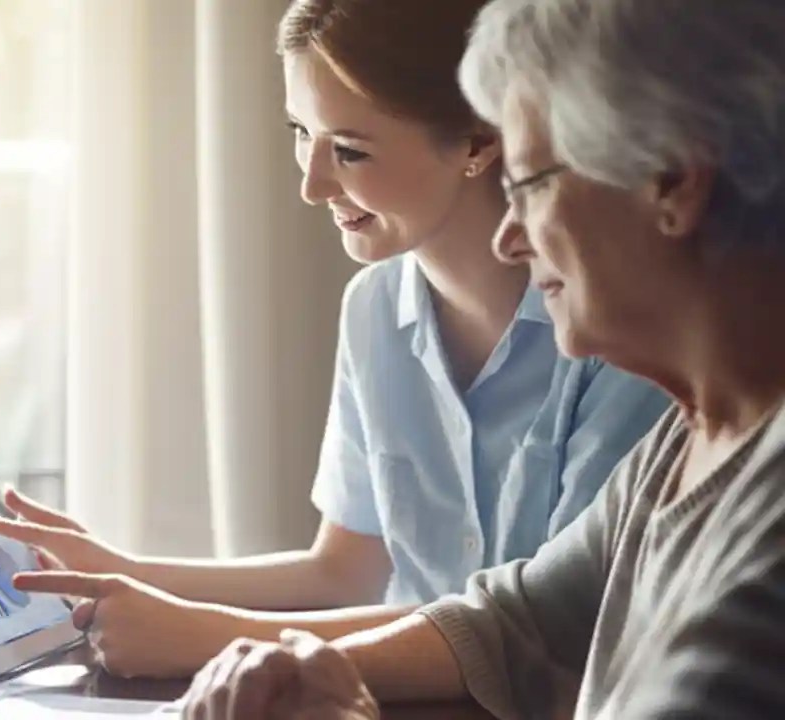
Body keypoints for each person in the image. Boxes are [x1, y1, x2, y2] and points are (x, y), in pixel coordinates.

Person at [0, 0, 668, 679]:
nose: (312, 184)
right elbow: (343, 572)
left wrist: (211, 637)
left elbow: (556, 621)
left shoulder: (612, 323)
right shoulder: (373, 309)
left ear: (477, 141)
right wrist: (123, 570)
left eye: (349, 149)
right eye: (300, 133)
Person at [180, 0, 785, 717]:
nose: (509, 238)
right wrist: (296, 669)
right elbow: (513, 620)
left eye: (531, 184)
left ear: (674, 181)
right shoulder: (690, 440)